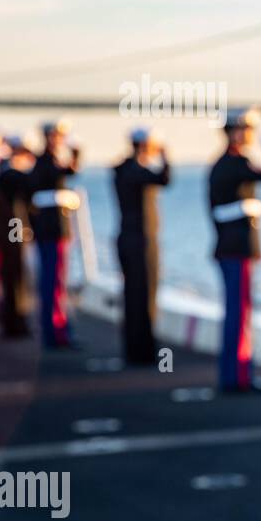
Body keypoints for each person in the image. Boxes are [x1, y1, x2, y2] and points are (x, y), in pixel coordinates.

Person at [208, 106, 261, 393]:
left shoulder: (227, 164)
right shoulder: (234, 164)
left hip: (234, 249)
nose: (250, 136)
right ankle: (237, 377)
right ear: (236, 132)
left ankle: (237, 374)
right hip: (236, 249)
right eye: (248, 130)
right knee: (239, 315)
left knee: (238, 314)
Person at [113, 127, 170, 365]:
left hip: (129, 238)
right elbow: (164, 178)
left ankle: (135, 349)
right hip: (142, 241)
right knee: (145, 295)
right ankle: (143, 351)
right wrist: (165, 155)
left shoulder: (123, 169)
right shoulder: (136, 170)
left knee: (132, 295)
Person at [27, 118, 80, 349]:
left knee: (53, 282)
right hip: (53, 231)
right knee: (54, 282)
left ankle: (57, 331)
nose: (60, 140)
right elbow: (65, 173)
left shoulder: (43, 163)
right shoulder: (46, 163)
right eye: (57, 136)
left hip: (51, 230)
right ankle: (55, 332)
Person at [0, 134, 34, 339]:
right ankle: (15, 322)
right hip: (13, 232)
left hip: (9, 231)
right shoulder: (11, 174)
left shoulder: (3, 172)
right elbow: (17, 208)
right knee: (15, 276)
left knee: (12, 277)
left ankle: (14, 321)